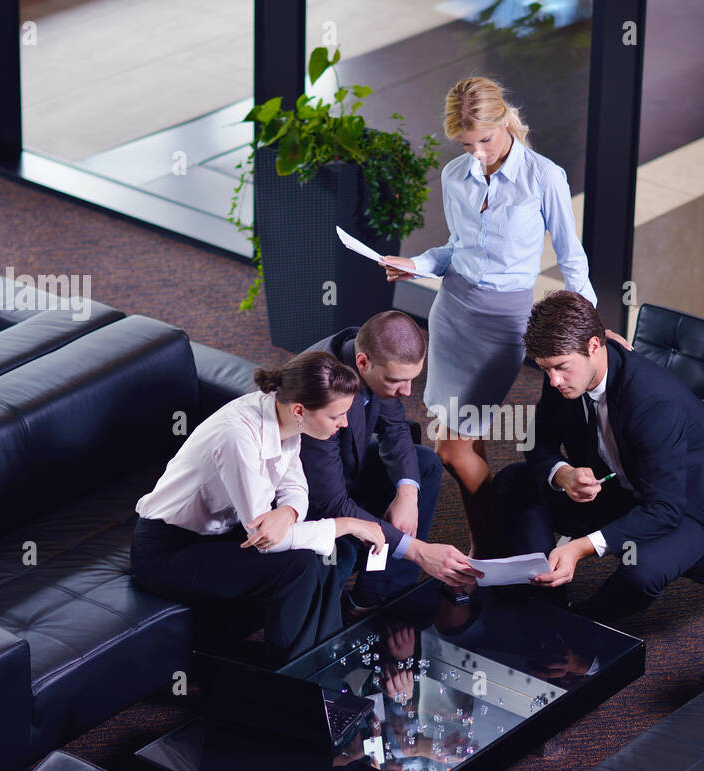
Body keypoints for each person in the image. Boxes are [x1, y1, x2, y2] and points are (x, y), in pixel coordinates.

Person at [380, 76, 616, 558]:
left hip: (503, 323)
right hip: (452, 314)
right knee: (461, 439)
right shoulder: (454, 176)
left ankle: (492, 546)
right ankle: (482, 541)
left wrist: (589, 325)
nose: (479, 153)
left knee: (450, 447)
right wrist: (417, 265)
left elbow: (573, 259)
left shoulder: (543, 177)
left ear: (504, 121)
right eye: (468, 144)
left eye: (485, 140)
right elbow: (454, 248)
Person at [493, 291, 704, 622]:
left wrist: (579, 547)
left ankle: (581, 626)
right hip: (623, 486)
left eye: (561, 368)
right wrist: (563, 474)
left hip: (691, 504)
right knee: (513, 481)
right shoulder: (563, 375)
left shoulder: (651, 401)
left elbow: (665, 507)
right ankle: (547, 600)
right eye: (545, 369)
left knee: (643, 571)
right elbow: (538, 444)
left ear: (593, 346)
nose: (554, 381)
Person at [130, 350, 386, 666]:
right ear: (300, 410)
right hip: (169, 552)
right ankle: (294, 678)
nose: (345, 424)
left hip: (223, 533)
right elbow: (266, 539)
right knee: (300, 566)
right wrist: (348, 523)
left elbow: (295, 488)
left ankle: (325, 658)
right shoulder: (238, 436)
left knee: (340, 553)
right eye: (336, 416)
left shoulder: (285, 419)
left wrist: (288, 512)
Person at [302, 311, 482, 616]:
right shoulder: (320, 389)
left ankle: (379, 592)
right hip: (308, 499)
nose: (407, 392)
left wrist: (407, 495)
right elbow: (330, 502)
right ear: (362, 362)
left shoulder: (377, 354)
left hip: (348, 465)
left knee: (424, 464)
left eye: (412, 379)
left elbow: (396, 428)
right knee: (344, 551)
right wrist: (420, 553)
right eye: (397, 381)